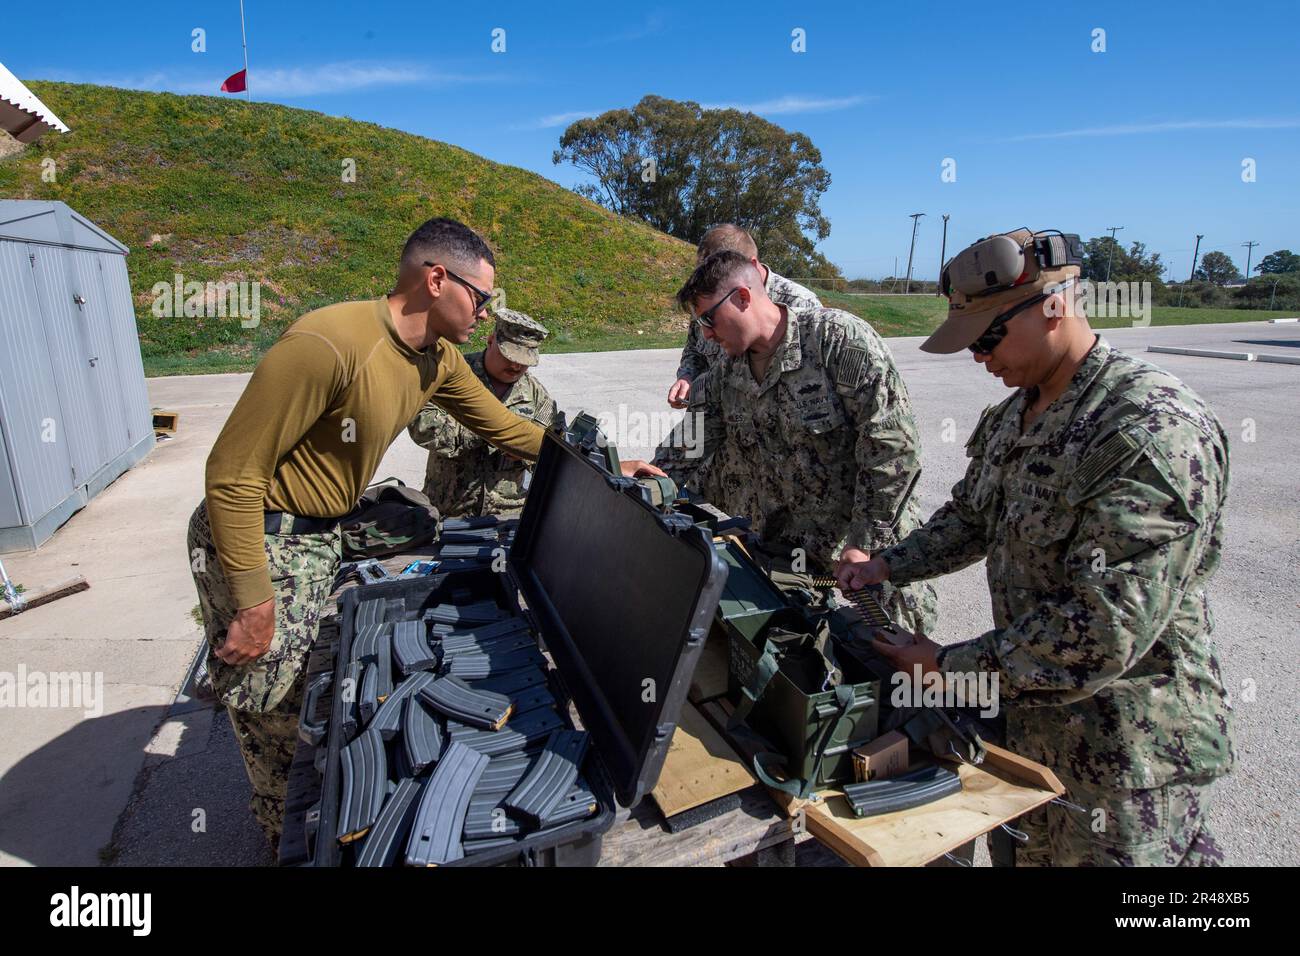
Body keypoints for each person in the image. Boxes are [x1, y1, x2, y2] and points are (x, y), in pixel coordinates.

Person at [188, 217, 661, 850]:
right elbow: (231, 475)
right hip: (265, 530)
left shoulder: (435, 360)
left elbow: (504, 427)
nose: (486, 313)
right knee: (273, 703)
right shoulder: (328, 343)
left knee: (392, 559)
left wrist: (611, 463)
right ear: (436, 280)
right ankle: (282, 833)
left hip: (326, 524)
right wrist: (252, 599)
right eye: (481, 297)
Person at [838, 228, 1234, 865]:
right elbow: (969, 518)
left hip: (1129, 761)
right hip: (1031, 733)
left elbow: (1105, 628)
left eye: (988, 337)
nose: (978, 357)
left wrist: (948, 669)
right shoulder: (1015, 413)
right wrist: (887, 563)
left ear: (1055, 306)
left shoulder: (1149, 430)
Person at [656, 250, 937, 634]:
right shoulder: (728, 372)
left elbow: (893, 451)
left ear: (742, 297)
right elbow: (691, 441)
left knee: (888, 670)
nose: (705, 333)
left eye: (709, 318)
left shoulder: (838, 341)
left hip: (869, 562)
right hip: (792, 558)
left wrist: (863, 543)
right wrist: (650, 477)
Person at [408, 308, 557, 517]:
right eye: (509, 356)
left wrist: (525, 455)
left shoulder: (538, 396)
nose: (515, 365)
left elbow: (549, 456)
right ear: (490, 341)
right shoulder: (449, 376)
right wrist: (499, 432)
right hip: (447, 511)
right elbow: (422, 428)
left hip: (508, 515)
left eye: (524, 360)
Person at [668, 224, 822, 408]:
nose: (705, 280)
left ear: (752, 266)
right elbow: (694, 349)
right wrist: (687, 376)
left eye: (715, 272)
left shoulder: (801, 304)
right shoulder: (708, 298)